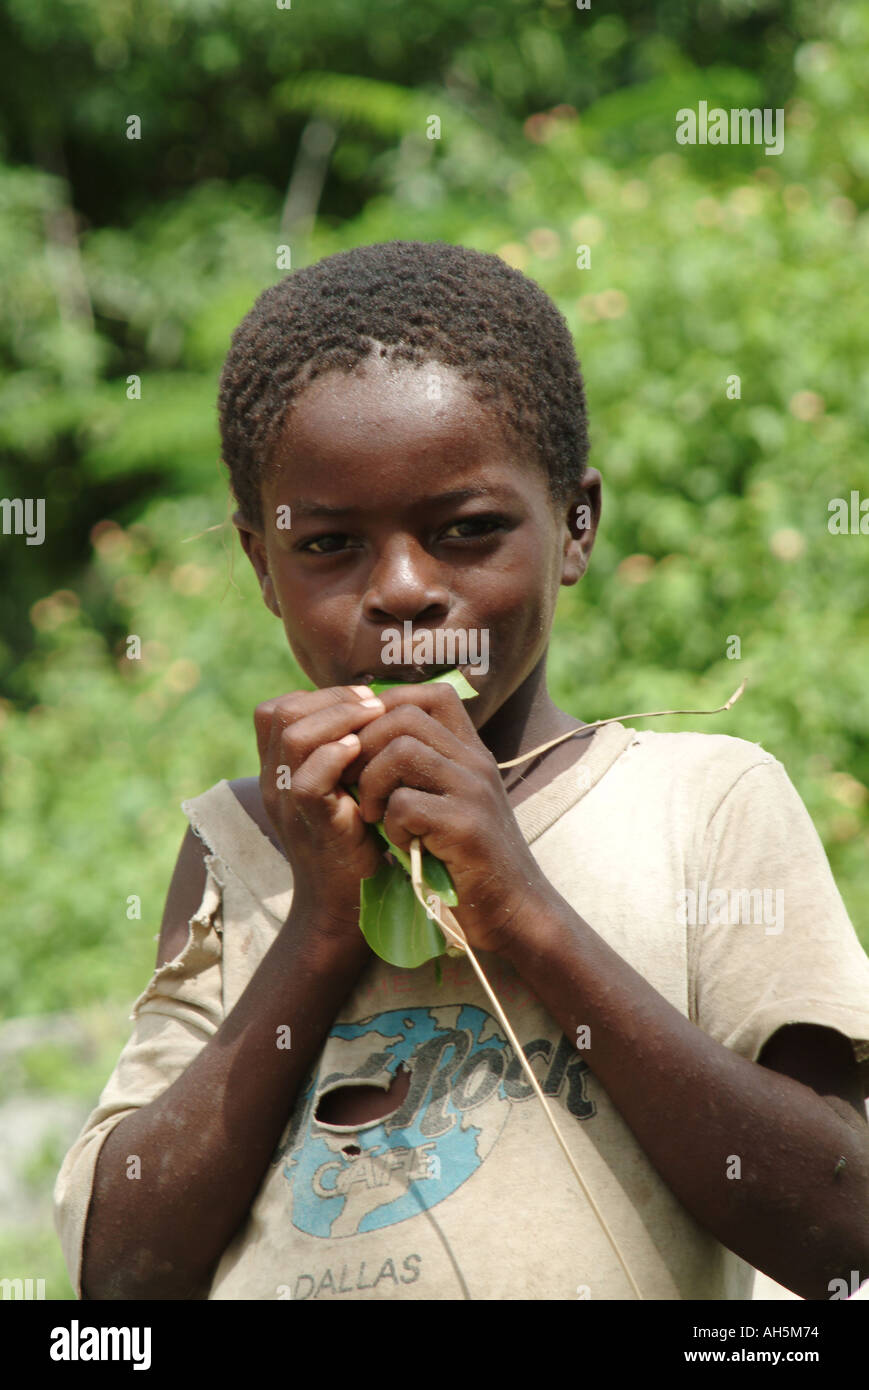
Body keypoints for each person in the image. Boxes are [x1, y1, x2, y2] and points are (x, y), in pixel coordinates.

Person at [55, 240, 869, 1301]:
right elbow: (119, 1281)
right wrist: (317, 925)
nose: (400, 590)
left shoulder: (699, 804)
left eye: (467, 531)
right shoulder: (246, 843)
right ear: (262, 564)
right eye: (329, 545)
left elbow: (843, 1236)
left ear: (574, 526)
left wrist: (522, 907)